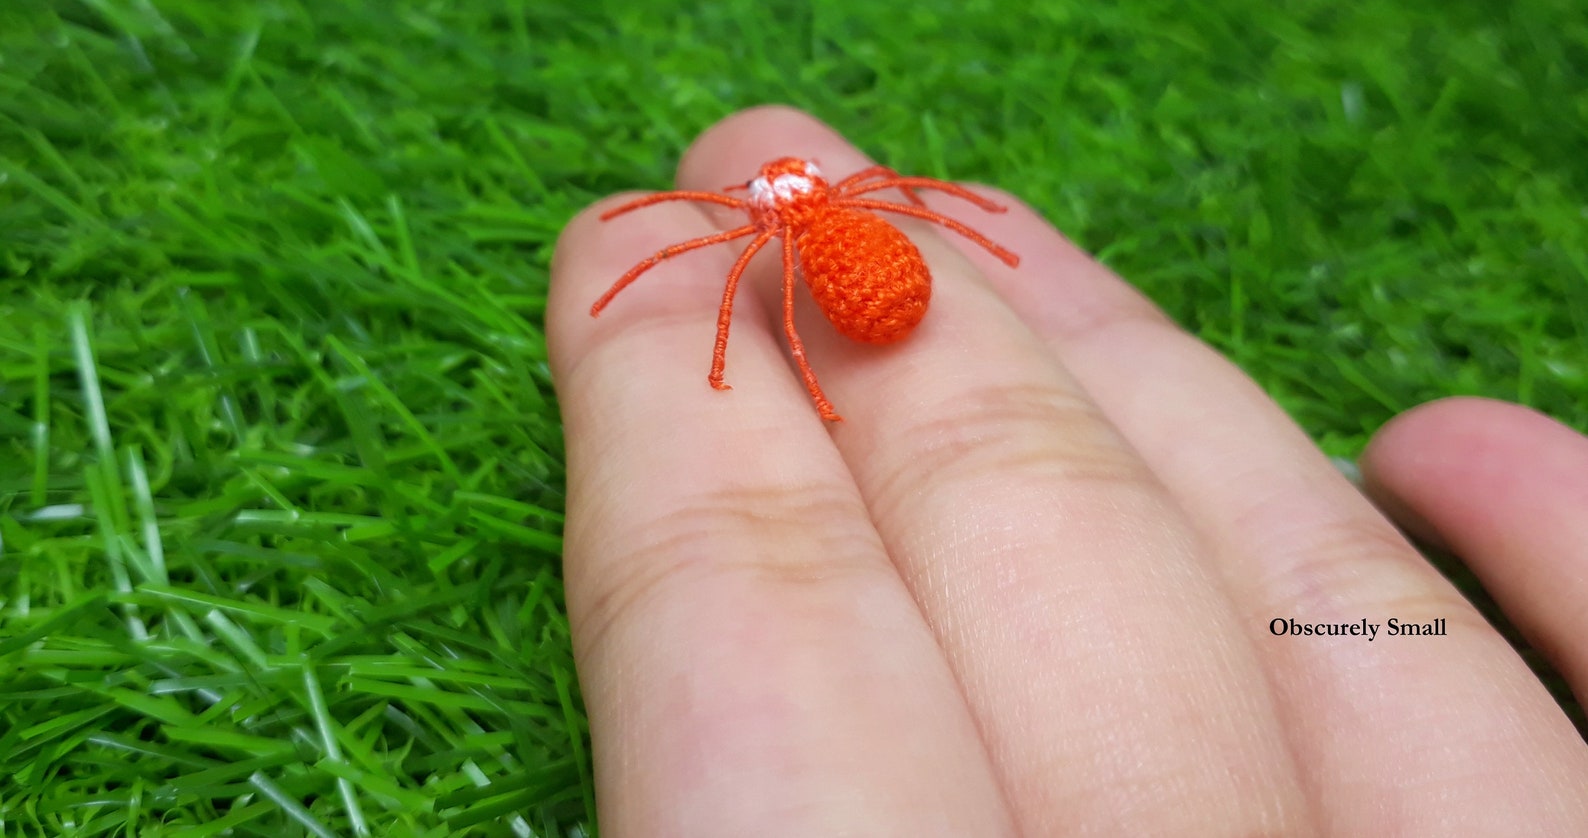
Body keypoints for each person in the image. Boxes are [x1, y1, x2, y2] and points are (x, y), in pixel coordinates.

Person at [547, 106, 1588, 835]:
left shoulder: (784, 229)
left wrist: (716, 313)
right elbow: (918, 203)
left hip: (873, 271)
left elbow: (877, 220)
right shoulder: (845, 206)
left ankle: (810, 379)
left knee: (761, 287)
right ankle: (812, 375)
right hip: (871, 259)